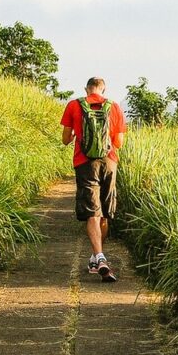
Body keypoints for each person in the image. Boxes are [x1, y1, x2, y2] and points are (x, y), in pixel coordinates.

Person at [61, 76, 126, 281]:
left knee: (92, 211)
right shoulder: (114, 107)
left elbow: (65, 139)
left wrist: (75, 136)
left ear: (86, 89)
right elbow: (119, 142)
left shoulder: (74, 105)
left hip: (84, 162)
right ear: (103, 90)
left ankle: (99, 258)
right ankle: (96, 258)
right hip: (109, 162)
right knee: (104, 212)